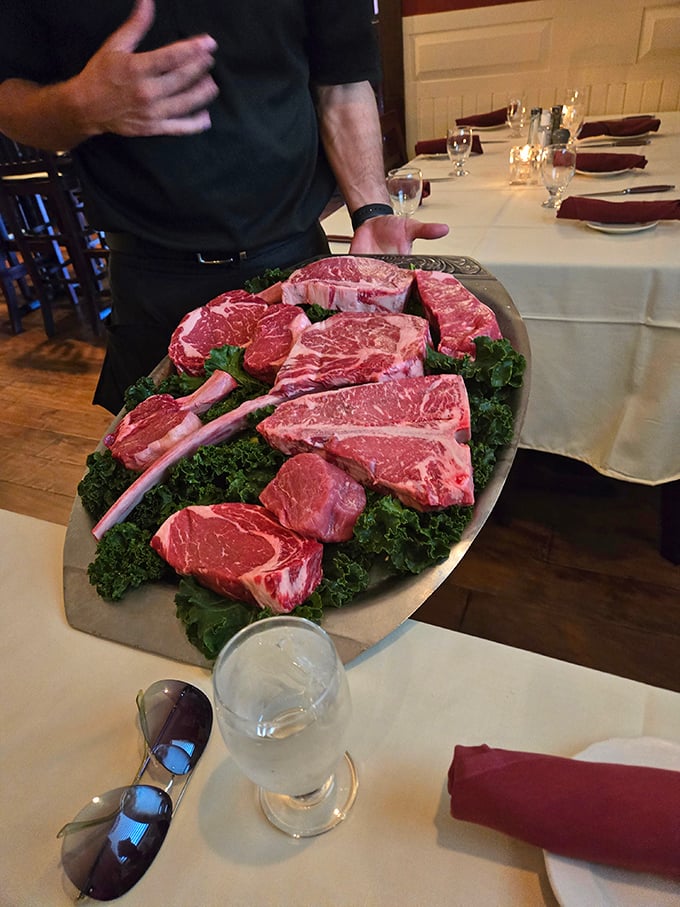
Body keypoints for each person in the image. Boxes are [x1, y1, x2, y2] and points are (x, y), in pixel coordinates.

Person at [0, 0, 449, 413]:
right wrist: (77, 107)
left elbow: (342, 83)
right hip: (150, 282)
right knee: (166, 481)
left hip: (295, 266)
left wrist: (370, 210)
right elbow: (9, 94)